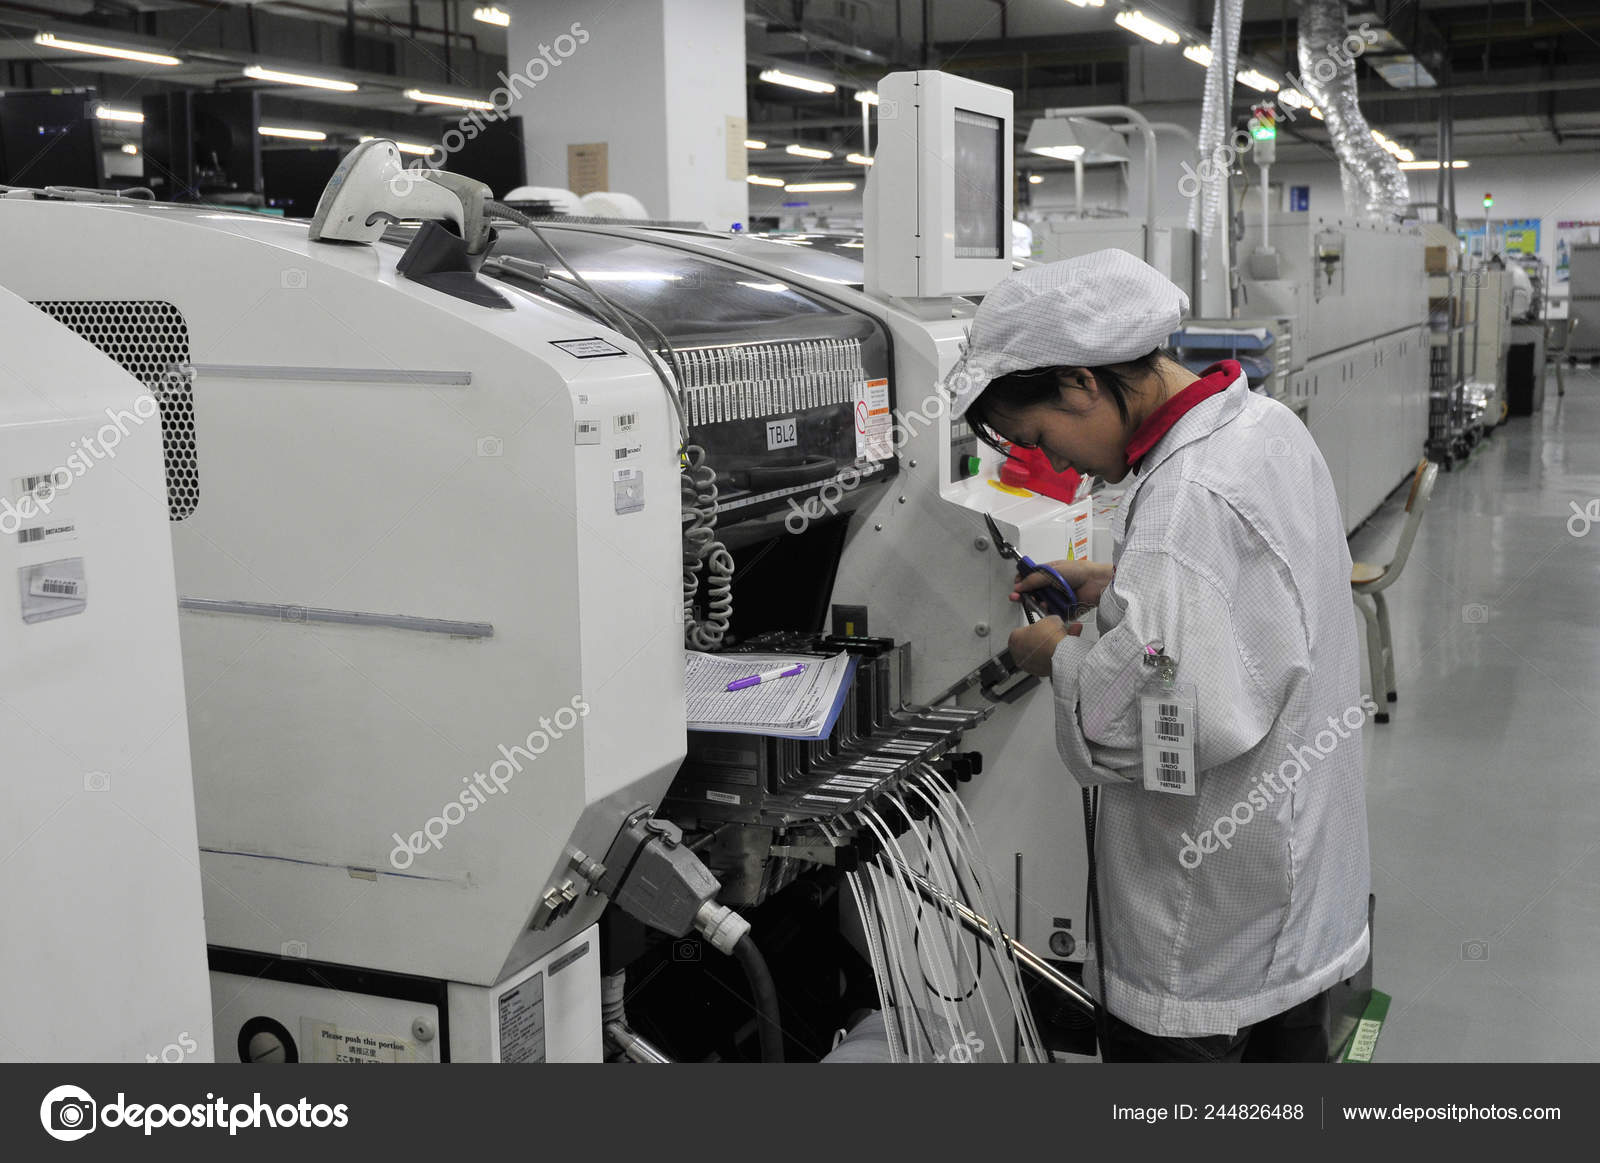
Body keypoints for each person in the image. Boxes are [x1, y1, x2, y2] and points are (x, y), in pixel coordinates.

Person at [944, 249, 1371, 1063]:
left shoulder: (1185, 501)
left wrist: (1057, 656)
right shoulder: (1261, 427)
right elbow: (1260, 600)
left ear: (1081, 381)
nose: (1057, 465)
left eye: (1042, 437)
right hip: (1296, 875)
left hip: (1208, 921)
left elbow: (1156, 722)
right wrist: (1121, 583)